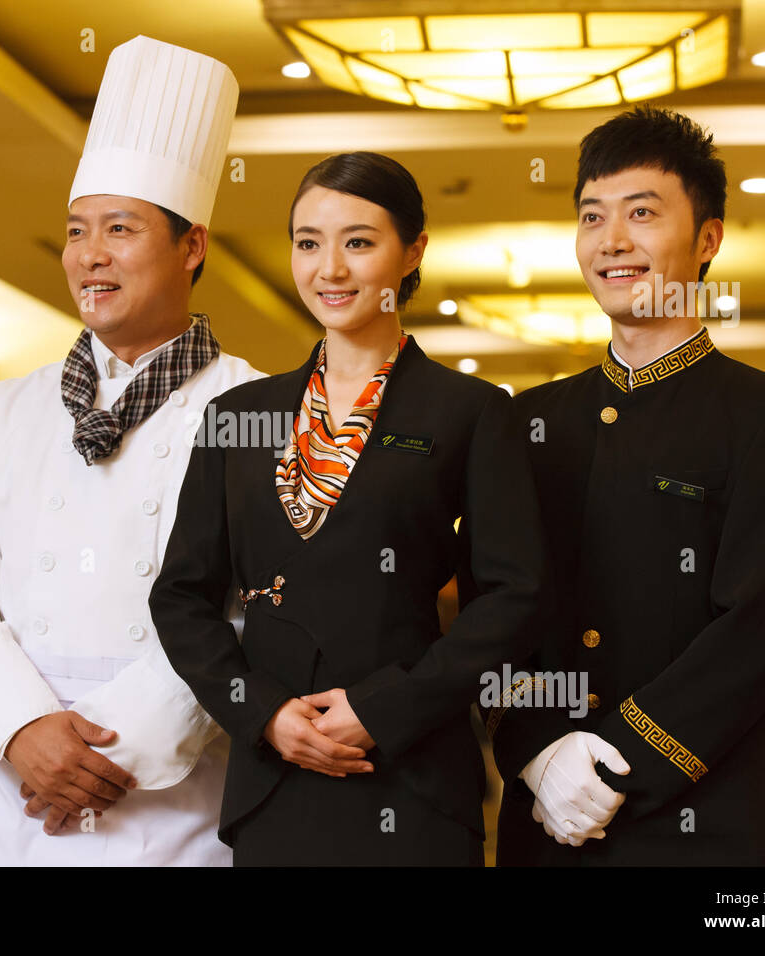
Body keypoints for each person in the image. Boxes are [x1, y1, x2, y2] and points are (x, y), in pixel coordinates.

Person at [149, 151, 546, 865]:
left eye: (358, 242)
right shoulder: (240, 414)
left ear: (412, 252)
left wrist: (384, 709)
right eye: (308, 243)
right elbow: (181, 596)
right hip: (274, 785)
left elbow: (512, 599)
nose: (329, 268)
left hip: (413, 776)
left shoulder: (468, 412)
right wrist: (260, 711)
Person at [0, 35, 261, 865]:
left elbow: (255, 609)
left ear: (193, 247)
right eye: (77, 232)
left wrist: (113, 751)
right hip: (13, 794)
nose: (90, 255)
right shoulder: (2, 410)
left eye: (120, 228)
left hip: (168, 801)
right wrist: (24, 729)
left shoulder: (258, 408)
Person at [490, 106, 765, 865]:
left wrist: (614, 764)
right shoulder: (527, 421)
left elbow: (759, 632)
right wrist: (538, 752)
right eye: (592, 217)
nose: (612, 241)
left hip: (700, 819)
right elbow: (493, 609)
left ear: (708, 239)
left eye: (641, 214)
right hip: (548, 818)